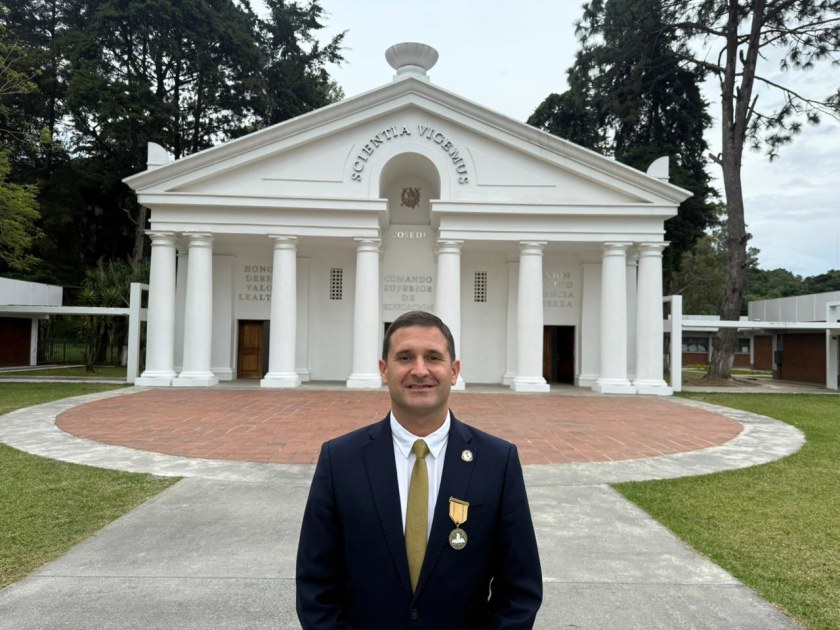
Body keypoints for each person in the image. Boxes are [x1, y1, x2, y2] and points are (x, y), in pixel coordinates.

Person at [296, 310, 542, 629]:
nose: (420, 370)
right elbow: (316, 586)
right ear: (384, 370)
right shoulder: (340, 459)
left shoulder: (498, 460)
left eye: (433, 357)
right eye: (405, 357)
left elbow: (520, 590)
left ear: (454, 371)